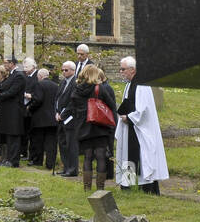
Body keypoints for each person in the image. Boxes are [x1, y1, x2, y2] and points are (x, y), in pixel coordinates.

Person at [115, 56, 168, 195]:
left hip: (140, 129)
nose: (121, 72)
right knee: (128, 154)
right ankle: (129, 184)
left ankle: (145, 188)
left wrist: (130, 118)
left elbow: (143, 108)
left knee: (142, 157)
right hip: (131, 127)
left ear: (132, 70)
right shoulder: (129, 84)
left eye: (123, 69)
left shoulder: (142, 85)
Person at [73, 63, 116, 192]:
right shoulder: (99, 89)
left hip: (84, 126)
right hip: (100, 126)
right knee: (101, 156)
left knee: (87, 157)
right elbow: (112, 105)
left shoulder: (77, 89)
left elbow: (74, 107)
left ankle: (86, 187)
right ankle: (100, 188)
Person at [0, 63, 26, 167]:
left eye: (6, 62)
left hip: (14, 111)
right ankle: (7, 159)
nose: (4, 65)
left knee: (14, 136)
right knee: (8, 137)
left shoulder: (19, 75)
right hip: (7, 111)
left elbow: (13, 92)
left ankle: (13, 161)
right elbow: (5, 89)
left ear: (12, 63)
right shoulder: (11, 76)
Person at [28, 67, 60, 170]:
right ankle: (50, 163)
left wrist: (30, 108)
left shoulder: (39, 84)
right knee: (51, 142)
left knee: (39, 141)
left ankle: (38, 161)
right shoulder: (56, 86)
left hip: (40, 118)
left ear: (40, 76)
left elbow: (38, 99)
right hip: (53, 118)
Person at [53, 61, 80, 176]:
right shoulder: (63, 82)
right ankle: (66, 167)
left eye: (66, 70)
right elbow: (57, 99)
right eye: (62, 70)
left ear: (73, 71)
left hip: (70, 118)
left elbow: (72, 102)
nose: (64, 72)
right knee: (62, 144)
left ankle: (73, 169)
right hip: (60, 118)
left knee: (71, 145)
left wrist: (63, 115)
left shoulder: (76, 83)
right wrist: (56, 112)